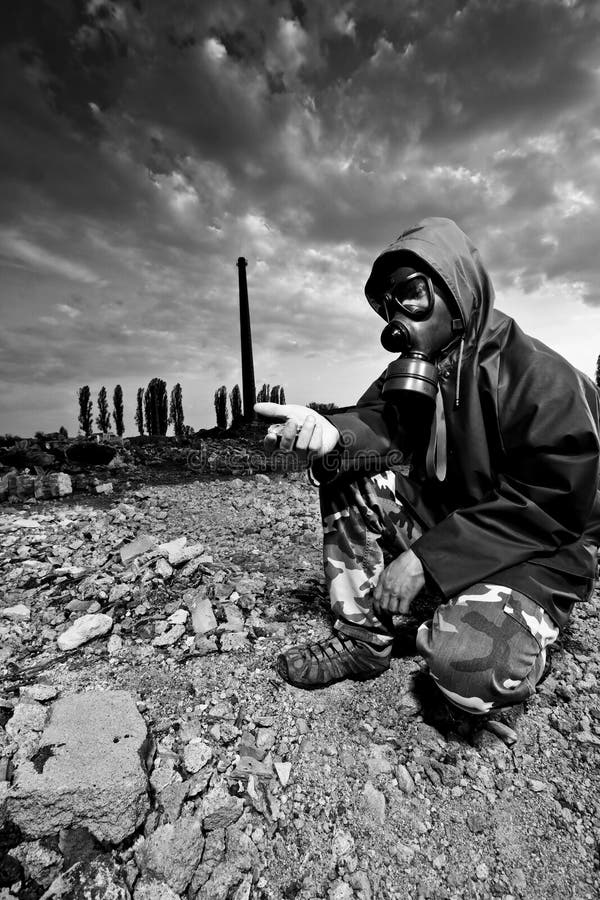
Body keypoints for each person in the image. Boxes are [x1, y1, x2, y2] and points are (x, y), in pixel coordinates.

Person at [255, 217, 600, 714]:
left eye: (411, 294)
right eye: (387, 305)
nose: (397, 318)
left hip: (537, 552)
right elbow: (384, 425)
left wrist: (425, 560)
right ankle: (363, 637)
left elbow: (552, 507)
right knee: (348, 464)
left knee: (468, 667)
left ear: (454, 286)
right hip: (458, 524)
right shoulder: (420, 370)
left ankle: (511, 634)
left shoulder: (542, 379)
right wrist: (334, 433)